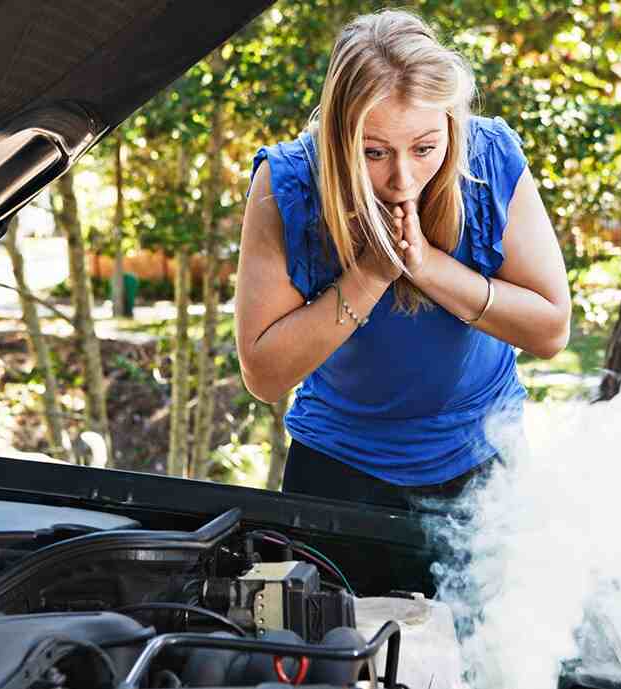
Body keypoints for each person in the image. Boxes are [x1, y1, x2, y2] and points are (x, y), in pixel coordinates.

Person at [234, 9, 570, 510]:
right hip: (338, 468)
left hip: (485, 462)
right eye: (374, 153)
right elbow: (264, 376)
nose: (403, 179)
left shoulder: (492, 158)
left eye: (425, 148)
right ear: (337, 138)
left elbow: (551, 331)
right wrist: (371, 274)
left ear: (451, 125)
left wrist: (430, 267)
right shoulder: (289, 182)